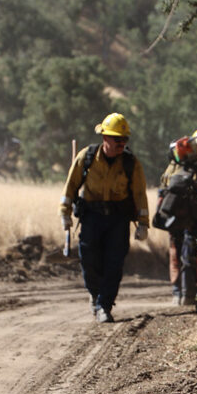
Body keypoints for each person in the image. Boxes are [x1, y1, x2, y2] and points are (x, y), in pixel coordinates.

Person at [60, 113, 149, 323]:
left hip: (118, 219)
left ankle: (104, 306)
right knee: (89, 259)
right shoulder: (87, 157)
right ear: (105, 137)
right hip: (91, 217)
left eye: (124, 139)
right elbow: (71, 186)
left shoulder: (131, 163)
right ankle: (95, 293)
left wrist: (143, 224)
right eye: (117, 139)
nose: (121, 143)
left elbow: (139, 194)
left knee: (114, 263)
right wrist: (64, 212)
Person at [154, 128, 197, 306]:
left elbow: (163, 187)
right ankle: (189, 294)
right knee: (190, 254)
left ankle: (178, 293)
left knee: (176, 253)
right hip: (194, 217)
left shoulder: (174, 165)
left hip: (174, 217)